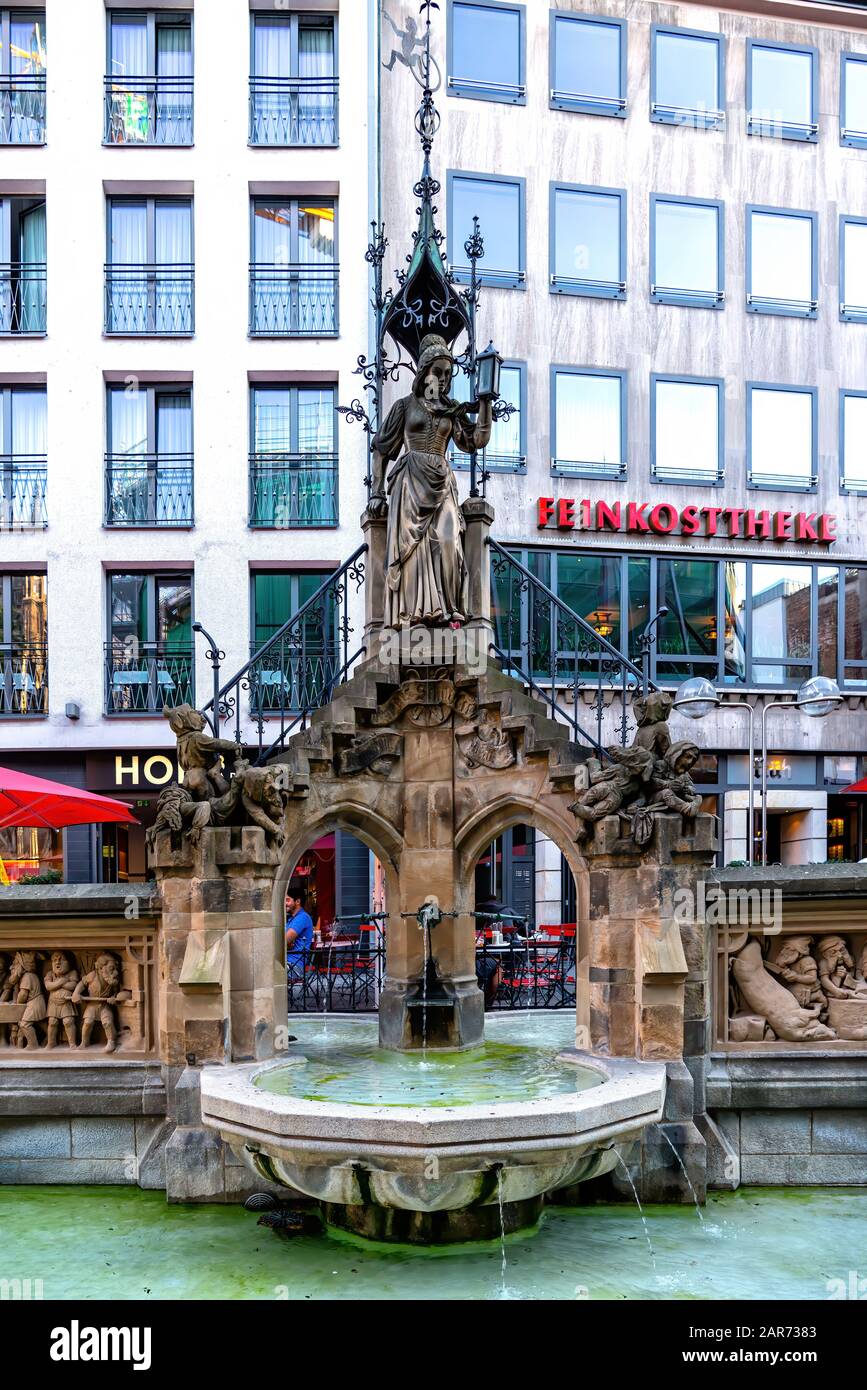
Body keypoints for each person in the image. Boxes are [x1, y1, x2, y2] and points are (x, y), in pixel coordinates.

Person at [285, 886, 314, 971]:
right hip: (286, 962)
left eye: (287, 900)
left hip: (294, 965)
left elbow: (284, 940)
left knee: (264, 972)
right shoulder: (291, 918)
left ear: (297, 901)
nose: (285, 903)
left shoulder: (302, 917)